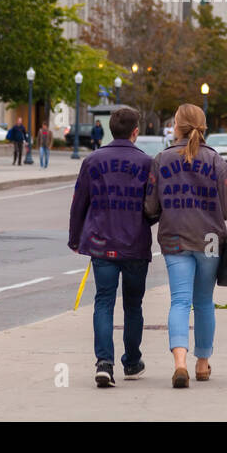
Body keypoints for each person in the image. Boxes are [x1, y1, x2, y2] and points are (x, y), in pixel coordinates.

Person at [144, 103, 227, 388]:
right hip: (209, 240)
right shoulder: (216, 161)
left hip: (175, 236)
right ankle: (203, 362)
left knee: (180, 301)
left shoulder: (162, 159)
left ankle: (179, 363)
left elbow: (150, 207)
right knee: (204, 301)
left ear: (176, 126)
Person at [68, 106, 155, 387]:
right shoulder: (146, 164)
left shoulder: (93, 161)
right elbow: (154, 207)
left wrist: (74, 237)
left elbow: (79, 202)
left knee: (103, 302)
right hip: (135, 244)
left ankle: (104, 362)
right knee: (133, 305)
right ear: (135, 132)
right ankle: (131, 362)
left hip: (101, 243)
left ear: (110, 129)